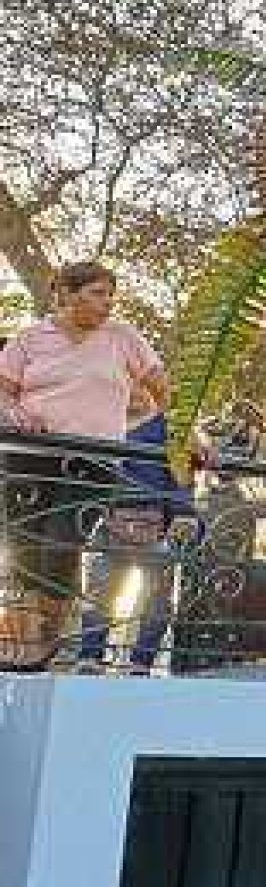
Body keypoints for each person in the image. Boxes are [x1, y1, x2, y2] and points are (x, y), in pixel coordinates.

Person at [0, 262, 167, 669]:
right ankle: (27, 644)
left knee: (61, 543)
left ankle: (46, 641)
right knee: (26, 548)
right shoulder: (31, 339)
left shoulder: (123, 337)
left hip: (93, 461)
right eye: (97, 293)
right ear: (68, 295)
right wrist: (13, 413)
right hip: (31, 457)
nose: (107, 303)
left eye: (111, 294)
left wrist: (138, 424)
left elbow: (162, 389)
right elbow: (3, 390)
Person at [76, 412, 201, 674]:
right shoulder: (110, 412)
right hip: (113, 521)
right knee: (101, 594)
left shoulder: (170, 425)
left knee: (155, 601)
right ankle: (90, 656)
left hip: (152, 522)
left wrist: (183, 512)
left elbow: (181, 472)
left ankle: (141, 662)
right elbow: (92, 469)